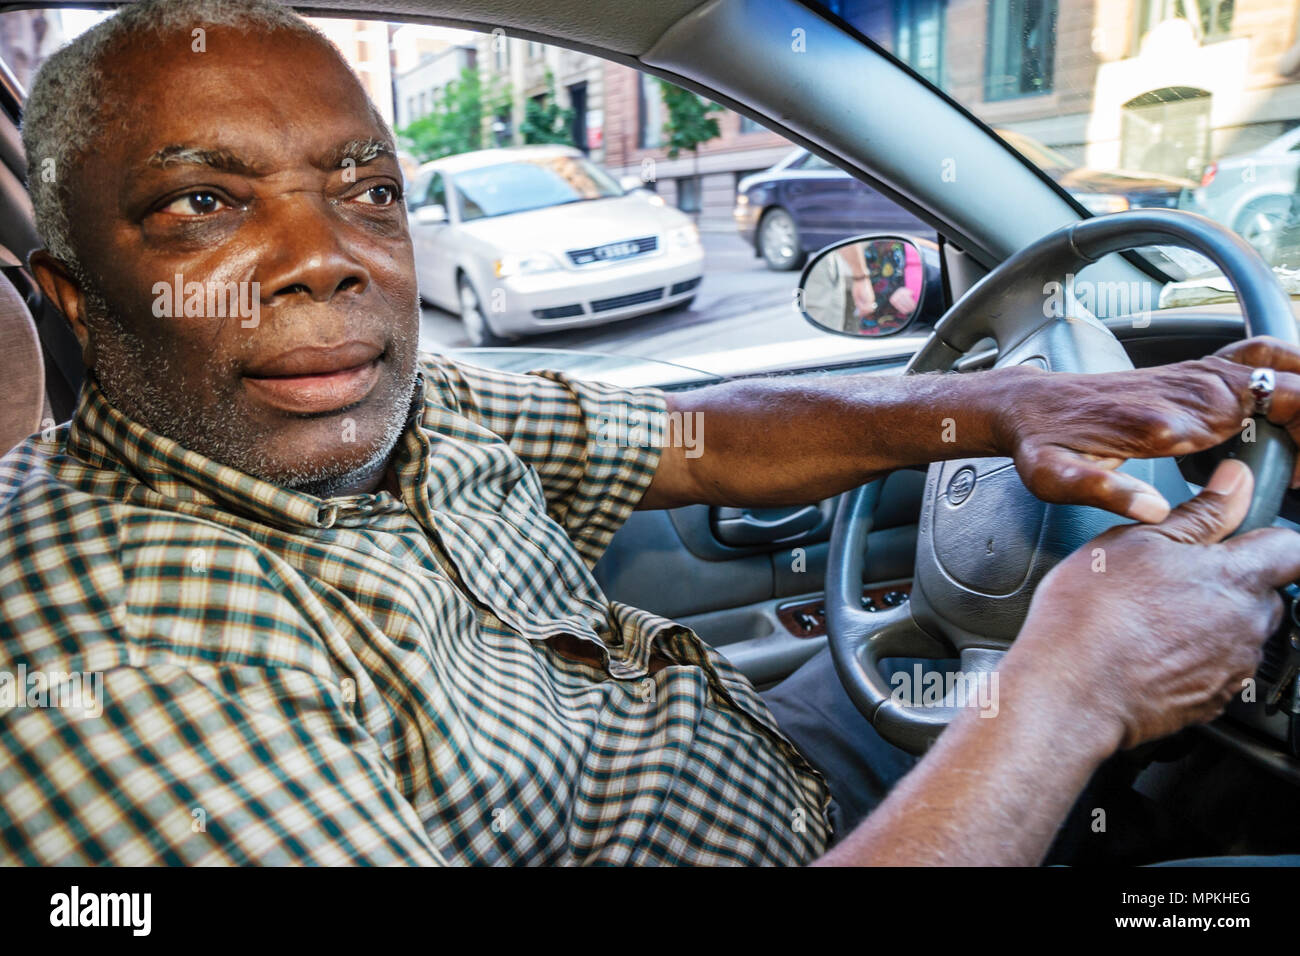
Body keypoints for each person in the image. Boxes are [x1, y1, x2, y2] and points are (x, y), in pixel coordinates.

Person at [3, 0, 1300, 866]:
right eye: (204, 204)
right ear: (71, 298)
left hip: (777, 751)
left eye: (370, 192)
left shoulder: (385, 401)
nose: (328, 259)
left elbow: (695, 441)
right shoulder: (107, 669)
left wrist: (1014, 403)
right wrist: (1074, 687)